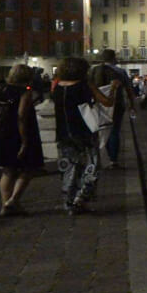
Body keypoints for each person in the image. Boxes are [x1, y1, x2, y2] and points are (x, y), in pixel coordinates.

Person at [50, 56, 117, 215]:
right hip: (84, 130)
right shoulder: (85, 85)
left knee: (69, 167)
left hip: (64, 132)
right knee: (91, 165)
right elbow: (107, 102)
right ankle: (81, 198)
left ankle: (69, 200)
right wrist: (113, 88)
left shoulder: (56, 87)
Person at [0, 63, 44, 216]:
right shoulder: (24, 92)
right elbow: (21, 117)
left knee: (8, 170)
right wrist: (25, 141)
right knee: (29, 168)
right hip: (18, 134)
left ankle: (6, 205)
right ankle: (13, 200)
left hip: (1, 133)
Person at [88, 49, 135, 168]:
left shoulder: (94, 70)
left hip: (98, 103)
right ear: (114, 58)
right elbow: (129, 89)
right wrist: (132, 104)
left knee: (101, 130)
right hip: (116, 103)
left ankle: (101, 157)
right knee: (114, 131)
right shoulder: (120, 72)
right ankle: (113, 159)